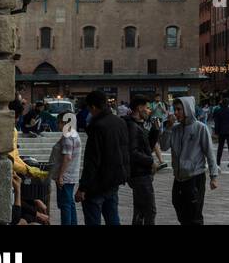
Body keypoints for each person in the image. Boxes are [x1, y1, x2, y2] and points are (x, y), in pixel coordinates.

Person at [161, 96, 219, 225]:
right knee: (178, 205)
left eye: (179, 109)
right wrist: (168, 128)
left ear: (187, 109)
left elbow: (210, 153)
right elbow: (164, 146)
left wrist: (213, 176)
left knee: (194, 214)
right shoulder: (175, 129)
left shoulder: (200, 128)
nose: (176, 113)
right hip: (179, 177)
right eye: (174, 109)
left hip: (195, 177)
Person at [76, 89, 130, 226]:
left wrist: (83, 187)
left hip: (97, 184)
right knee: (113, 218)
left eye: (90, 108)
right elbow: (125, 151)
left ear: (93, 107)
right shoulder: (120, 122)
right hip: (114, 180)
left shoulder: (97, 127)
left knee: (93, 218)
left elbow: (93, 160)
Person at [125, 96, 160, 226]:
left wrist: (155, 131)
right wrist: (150, 162)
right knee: (149, 211)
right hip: (140, 175)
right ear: (139, 108)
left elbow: (147, 149)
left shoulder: (138, 125)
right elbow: (132, 152)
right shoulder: (133, 126)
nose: (149, 111)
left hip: (141, 174)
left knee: (140, 211)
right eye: (147, 107)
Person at [47, 112, 82, 227]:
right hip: (70, 175)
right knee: (69, 203)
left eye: (59, 122)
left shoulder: (68, 136)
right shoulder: (73, 134)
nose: (58, 125)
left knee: (65, 205)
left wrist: (60, 176)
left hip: (66, 176)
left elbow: (67, 157)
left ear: (64, 122)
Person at [214, 101, 229, 169]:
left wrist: (216, 132)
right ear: (228, 104)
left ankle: (218, 162)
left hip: (221, 131)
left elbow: (217, 122)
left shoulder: (219, 111)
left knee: (220, 147)